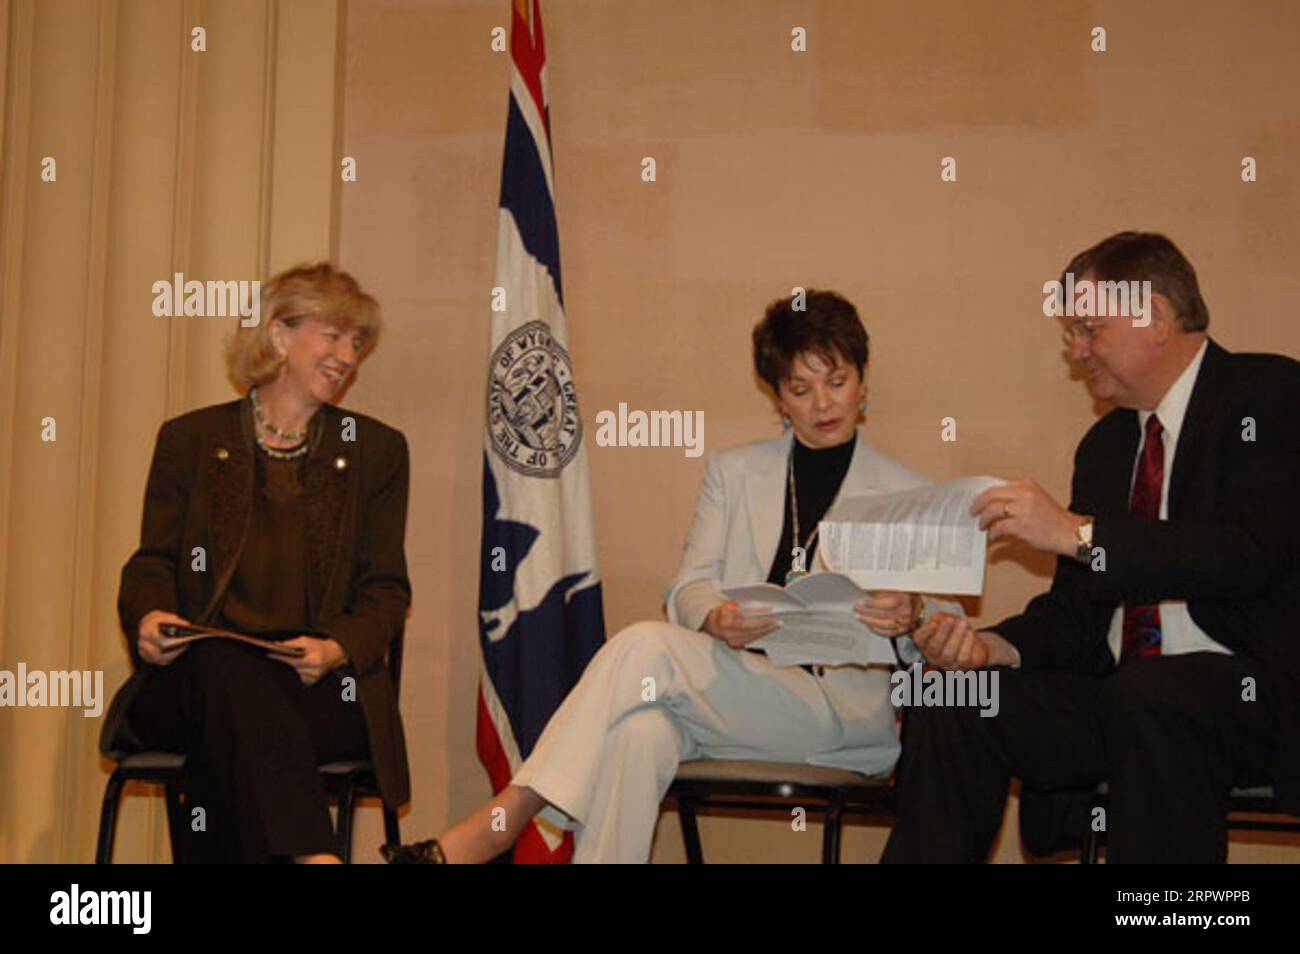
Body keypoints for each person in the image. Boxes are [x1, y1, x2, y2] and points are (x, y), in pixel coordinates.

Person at [385, 289, 961, 863]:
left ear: (863, 382)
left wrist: (913, 615)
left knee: (644, 644)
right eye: (800, 389)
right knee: (639, 736)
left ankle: (501, 821)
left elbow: (951, 625)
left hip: (840, 723)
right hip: (733, 695)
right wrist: (716, 615)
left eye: (836, 382)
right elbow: (689, 585)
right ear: (778, 397)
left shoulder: (907, 491)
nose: (822, 403)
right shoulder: (734, 472)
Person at [882, 231, 1300, 863]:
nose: (1076, 353)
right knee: (952, 695)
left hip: (1252, 695)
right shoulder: (1105, 448)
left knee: (1152, 695)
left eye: (1088, 330)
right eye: (1070, 336)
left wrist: (1077, 533)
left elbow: (1246, 554)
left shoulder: (1267, 395)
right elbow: (1078, 618)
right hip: (1123, 698)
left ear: (1154, 316)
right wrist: (993, 648)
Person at [99, 263, 412, 863]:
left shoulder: (375, 452)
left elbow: (386, 593)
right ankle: (314, 857)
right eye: (332, 334)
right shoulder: (190, 440)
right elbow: (152, 563)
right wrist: (149, 616)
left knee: (233, 735)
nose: (346, 355)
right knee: (225, 671)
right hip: (199, 674)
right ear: (277, 336)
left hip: (320, 688)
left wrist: (335, 649)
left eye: (356, 341)